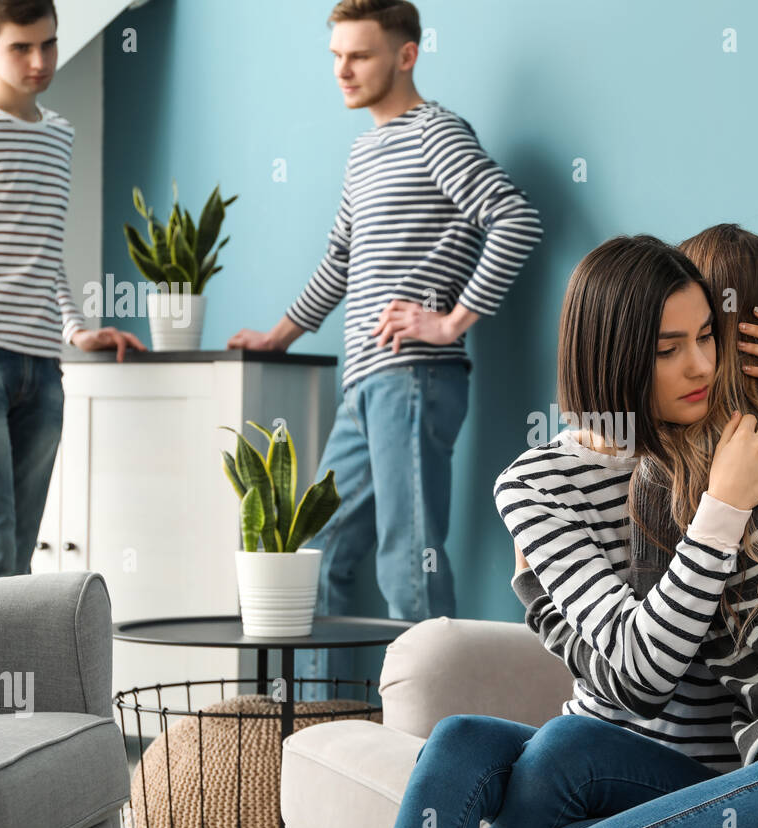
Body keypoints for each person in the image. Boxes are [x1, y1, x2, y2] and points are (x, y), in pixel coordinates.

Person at [387, 227, 758, 828]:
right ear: (616, 355)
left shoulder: (729, 455)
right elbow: (638, 673)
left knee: (558, 768)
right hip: (715, 757)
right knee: (496, 741)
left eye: (708, 337)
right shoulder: (649, 474)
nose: (702, 365)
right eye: (669, 348)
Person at [226, 0, 542, 699]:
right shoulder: (365, 148)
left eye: (359, 55)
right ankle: (321, 727)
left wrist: (452, 320)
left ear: (405, 55)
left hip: (415, 378)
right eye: (336, 54)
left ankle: (434, 734)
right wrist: (280, 334)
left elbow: (514, 215)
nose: (343, 69)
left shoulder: (436, 132)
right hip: (363, 385)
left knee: (411, 563)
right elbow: (342, 258)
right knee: (326, 553)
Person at [0, 0, 145, 583]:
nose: (39, 60)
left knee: (18, 572)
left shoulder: (58, 135)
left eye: (48, 44)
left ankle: (13, 680)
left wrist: (78, 329)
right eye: (20, 48)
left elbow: (45, 254)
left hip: (43, 374)